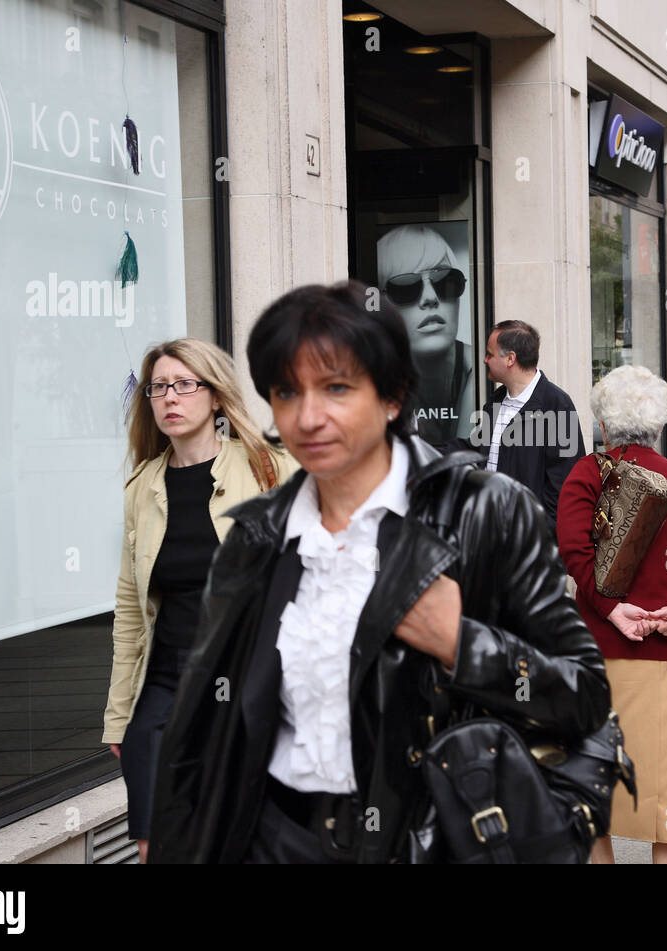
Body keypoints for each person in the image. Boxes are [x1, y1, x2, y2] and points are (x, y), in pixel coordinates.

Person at [148, 281, 610, 864]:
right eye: (288, 391)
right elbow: (201, 734)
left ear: (392, 396)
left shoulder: (481, 513)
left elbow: (585, 697)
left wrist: (463, 644)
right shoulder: (259, 535)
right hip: (274, 839)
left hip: (429, 839)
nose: (308, 417)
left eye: (336, 388)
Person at [102, 338, 296, 863]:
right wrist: (120, 714)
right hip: (165, 684)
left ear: (215, 397)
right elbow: (129, 611)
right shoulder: (142, 488)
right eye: (159, 387)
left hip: (246, 679)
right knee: (153, 844)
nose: (170, 398)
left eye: (185, 385)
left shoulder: (270, 470)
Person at [556, 365, 667, 864]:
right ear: (659, 426)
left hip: (601, 649)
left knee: (595, 772)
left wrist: (612, 610)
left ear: (604, 426)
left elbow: (574, 552)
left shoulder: (588, 474)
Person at [456, 320, 584, 530]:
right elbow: (474, 450)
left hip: (529, 545)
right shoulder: (496, 401)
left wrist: (536, 536)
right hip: (490, 533)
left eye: (490, 354)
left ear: (510, 359)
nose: (485, 360)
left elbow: (564, 489)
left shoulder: (556, 405)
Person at [376, 224, 476, 445]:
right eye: (405, 287)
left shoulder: (479, 368)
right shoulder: (373, 373)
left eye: (446, 282)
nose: (430, 298)